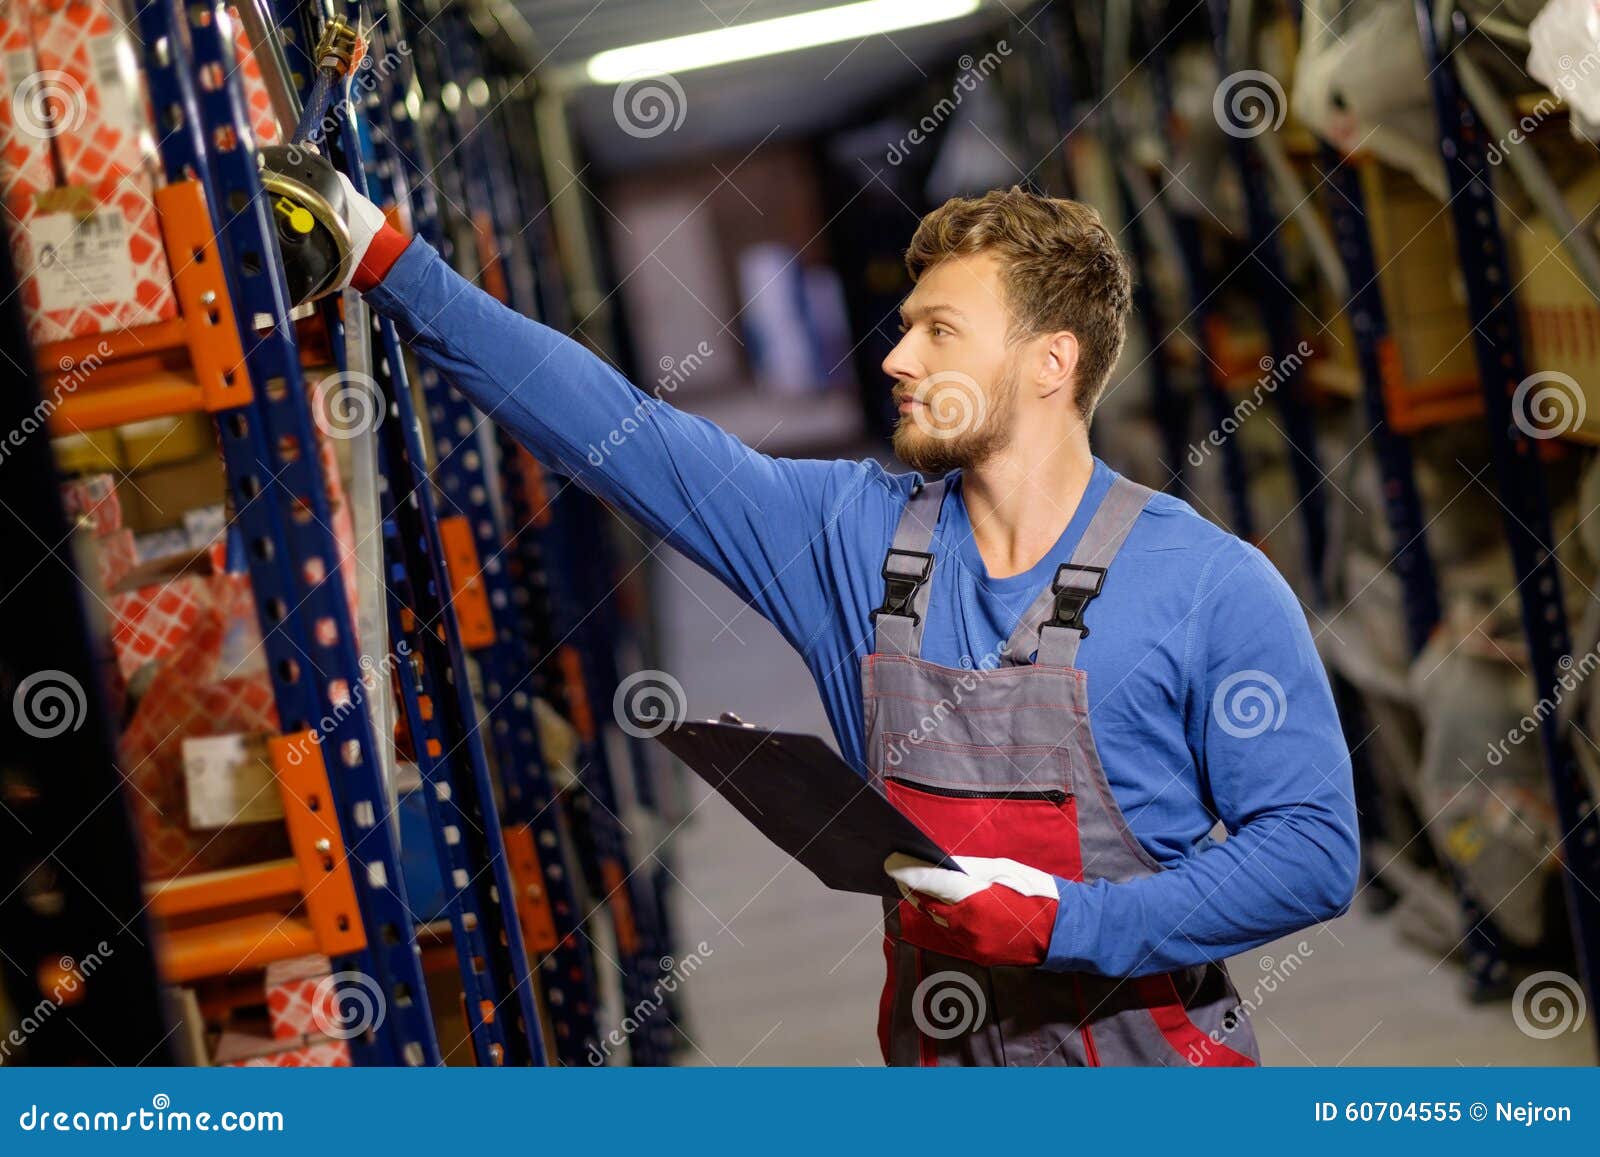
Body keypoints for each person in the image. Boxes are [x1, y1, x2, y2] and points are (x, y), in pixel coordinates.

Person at [333, 178, 1359, 1066]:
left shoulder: (1207, 583)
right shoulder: (849, 540)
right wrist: (391, 264)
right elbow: (614, 429)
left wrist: (1067, 921)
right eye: (906, 323)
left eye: (940, 331)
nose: (895, 358)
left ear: (1051, 362)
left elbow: (1311, 851)